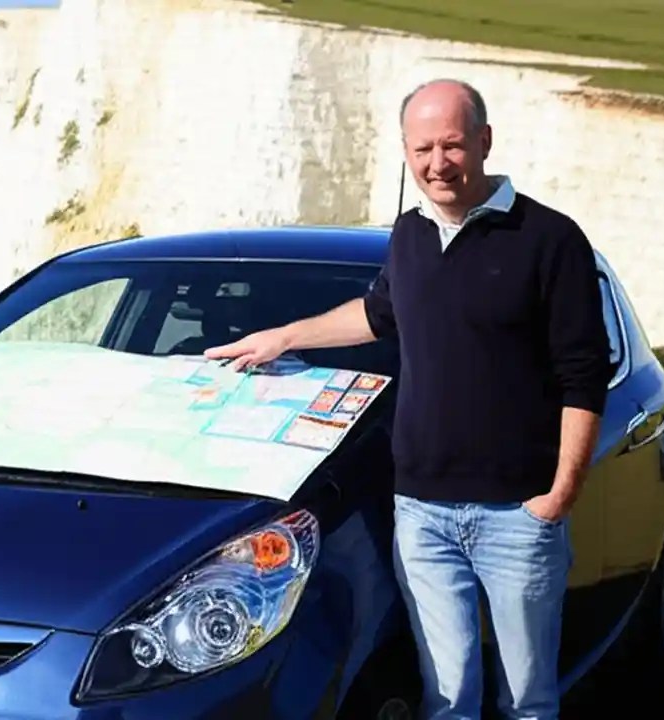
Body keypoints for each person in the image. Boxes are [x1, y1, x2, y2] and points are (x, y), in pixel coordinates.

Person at [205, 78, 613, 719]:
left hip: (519, 516)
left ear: (484, 141)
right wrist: (283, 336)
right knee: (447, 699)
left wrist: (557, 498)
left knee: (528, 702)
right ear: (404, 149)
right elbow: (377, 315)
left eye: (452, 145)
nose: (436, 163)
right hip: (421, 515)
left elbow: (583, 377)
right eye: (422, 149)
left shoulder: (550, 239)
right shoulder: (410, 234)